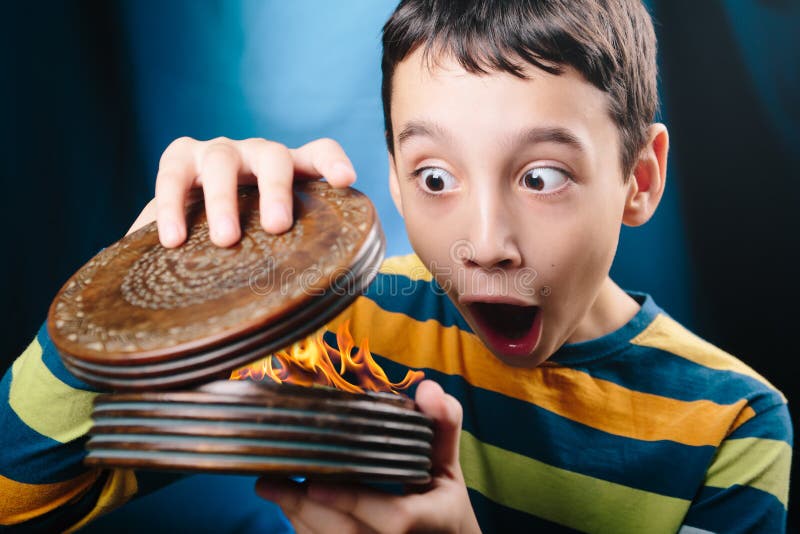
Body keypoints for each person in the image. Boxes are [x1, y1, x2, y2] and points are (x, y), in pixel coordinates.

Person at [1, 0, 792, 532]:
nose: (485, 243)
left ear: (640, 179)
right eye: (436, 178)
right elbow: (16, 497)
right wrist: (135, 288)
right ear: (392, 175)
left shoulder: (737, 425)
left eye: (541, 176)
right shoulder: (337, 327)